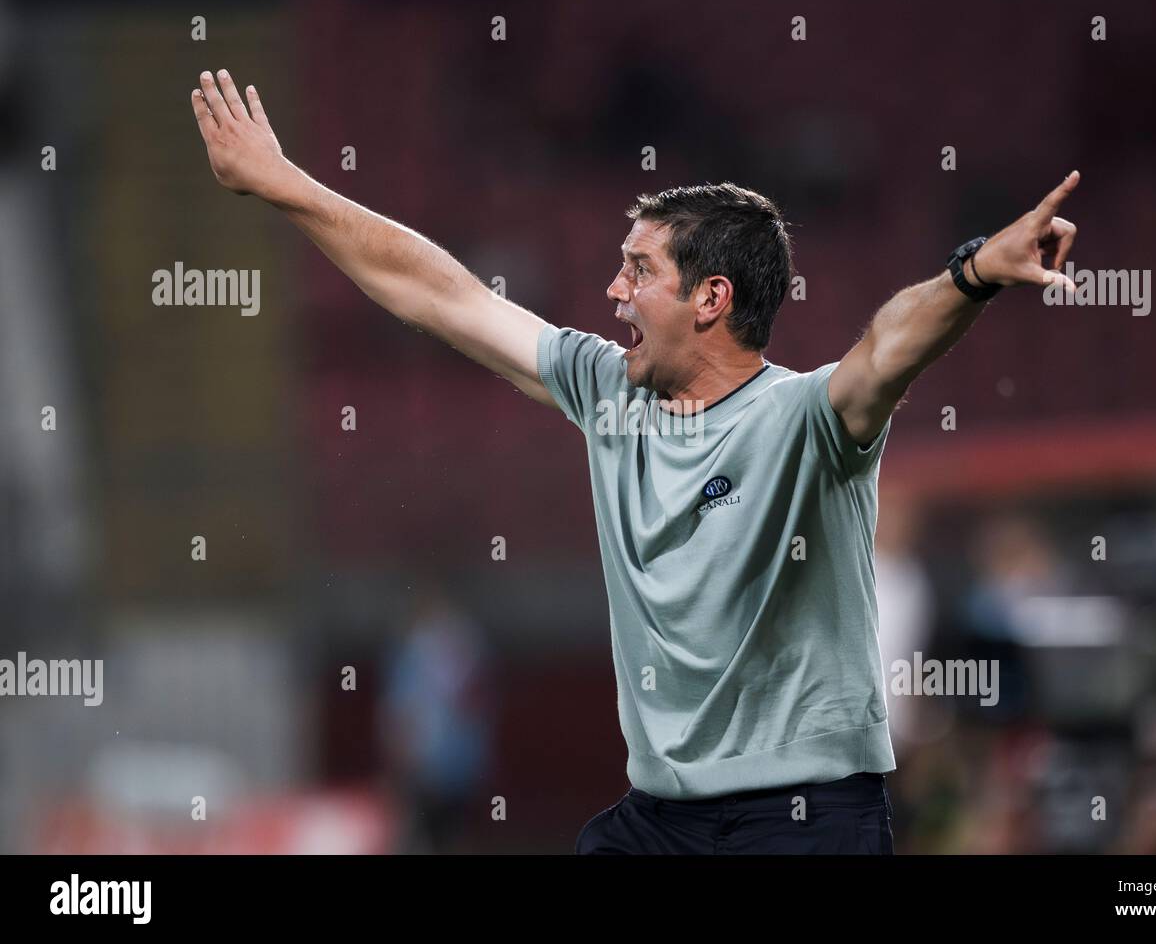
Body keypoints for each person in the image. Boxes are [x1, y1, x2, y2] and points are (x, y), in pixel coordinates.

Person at [188, 67, 1080, 853]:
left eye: (638, 269)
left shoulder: (806, 420)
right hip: (661, 822)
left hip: (808, 819)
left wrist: (975, 274)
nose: (613, 291)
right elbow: (436, 291)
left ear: (711, 298)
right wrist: (284, 186)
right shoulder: (604, 389)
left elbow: (888, 348)